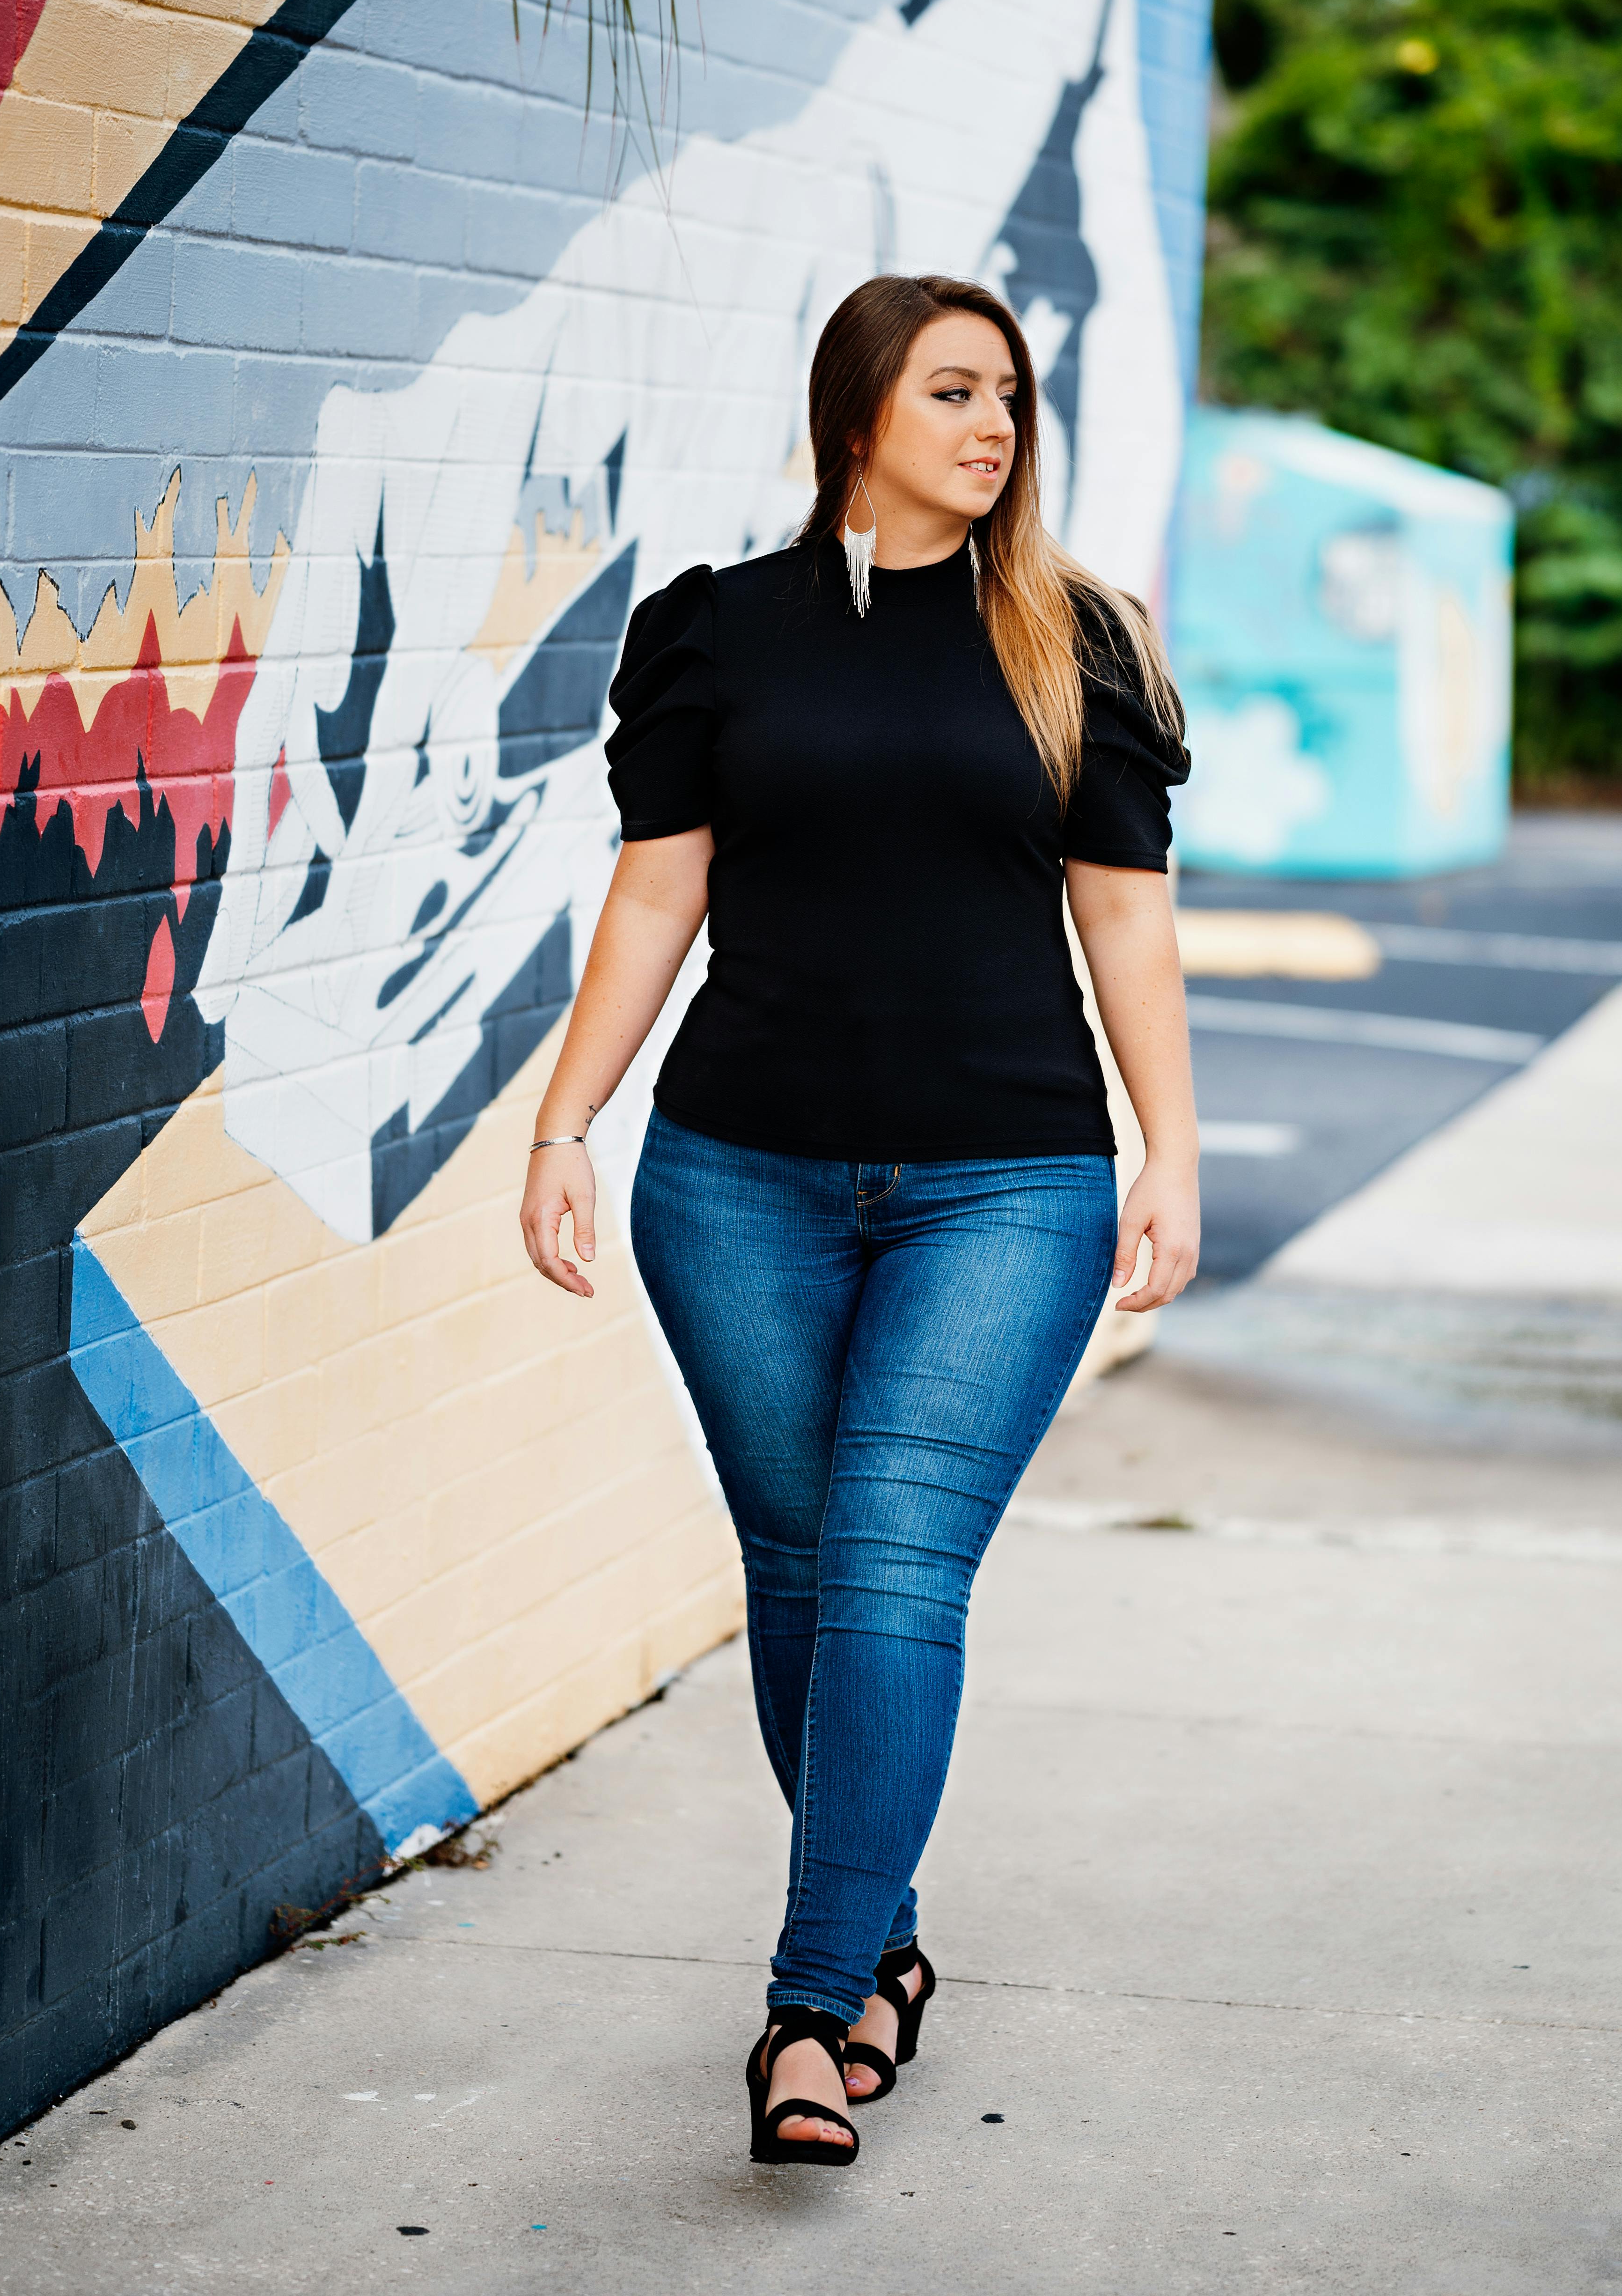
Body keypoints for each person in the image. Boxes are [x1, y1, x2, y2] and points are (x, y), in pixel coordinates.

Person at [518, 273, 1199, 2169]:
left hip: (1006, 1186)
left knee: (896, 1566)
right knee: (807, 1572)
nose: (994, 427)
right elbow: (656, 895)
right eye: (955, 392)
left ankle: (806, 2015)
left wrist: (1170, 1151)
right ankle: (884, 1945)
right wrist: (567, 1121)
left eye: (1009, 399)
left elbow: (1124, 916)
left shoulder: (1076, 641)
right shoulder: (716, 632)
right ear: (857, 417)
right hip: (737, 1180)